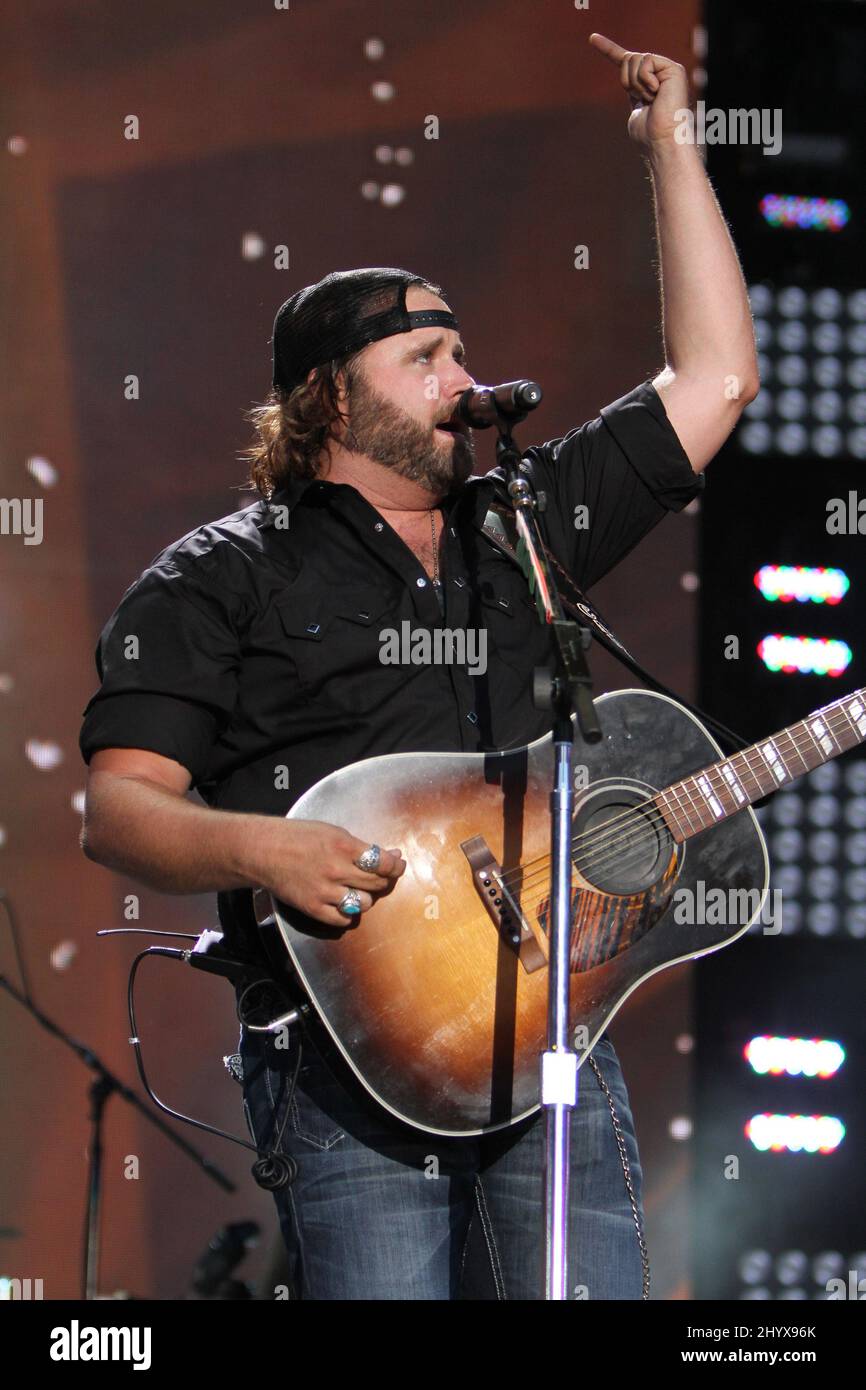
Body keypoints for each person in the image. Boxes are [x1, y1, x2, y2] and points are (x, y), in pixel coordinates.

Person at [79, 35, 758, 1300]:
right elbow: (119, 810)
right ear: (331, 403)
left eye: (460, 350)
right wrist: (262, 850)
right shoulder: (219, 575)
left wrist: (670, 141)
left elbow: (715, 379)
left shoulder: (524, 526)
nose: (463, 377)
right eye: (425, 360)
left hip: (553, 1039)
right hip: (347, 1068)